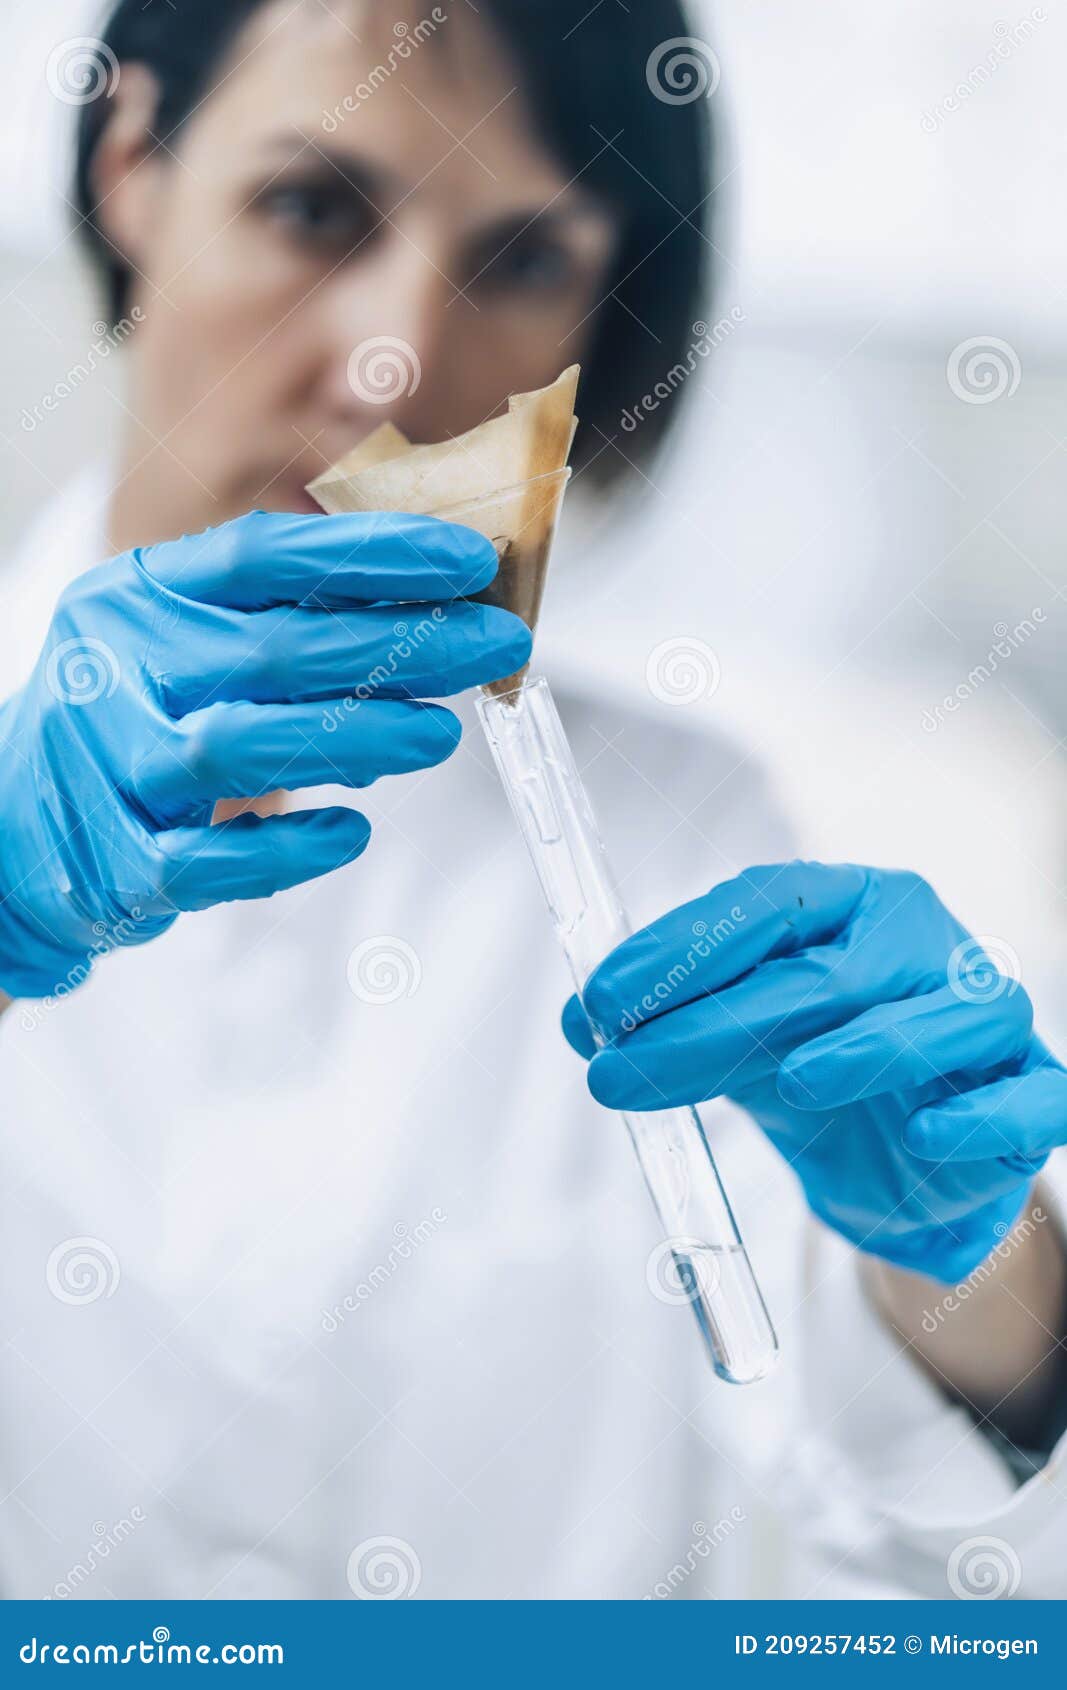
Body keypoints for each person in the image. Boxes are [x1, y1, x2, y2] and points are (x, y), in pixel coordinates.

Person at [0, 0, 1063, 1600]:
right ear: (135, 163)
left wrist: (991, 1295)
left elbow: (939, 1578)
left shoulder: (691, 840)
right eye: (312, 205)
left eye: (519, 261)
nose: (397, 362)